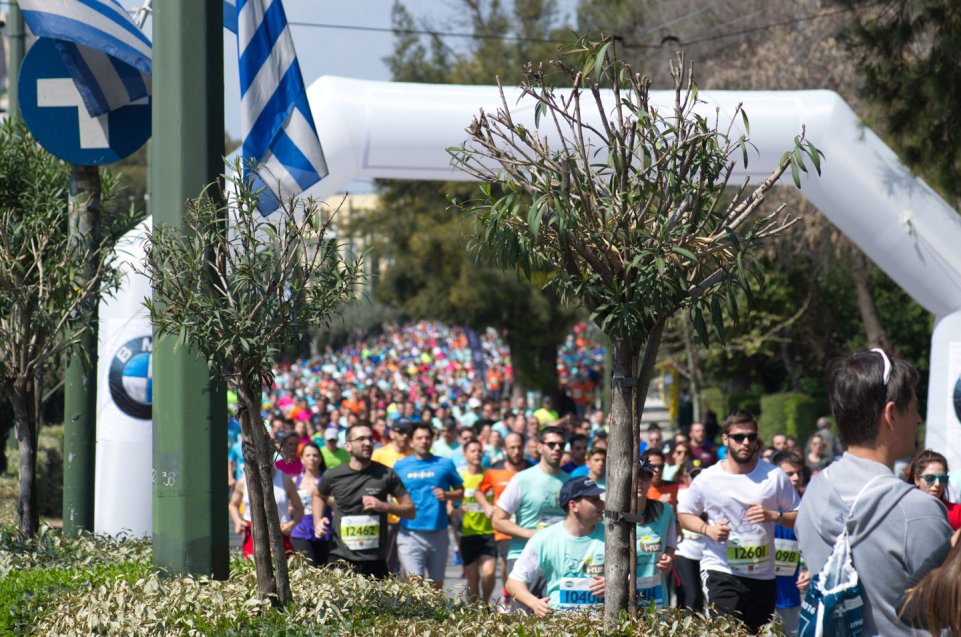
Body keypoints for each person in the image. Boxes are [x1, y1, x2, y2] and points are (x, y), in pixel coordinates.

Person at [796, 349, 953, 636]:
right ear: (891, 414)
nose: (918, 419)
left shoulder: (814, 493)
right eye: (914, 407)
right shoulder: (917, 510)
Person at [677, 409, 801, 634]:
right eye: (739, 437)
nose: (746, 442)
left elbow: (799, 516)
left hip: (762, 574)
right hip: (721, 569)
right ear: (725, 439)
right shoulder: (708, 478)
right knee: (727, 631)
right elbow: (685, 514)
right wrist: (707, 529)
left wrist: (774, 516)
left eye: (751, 437)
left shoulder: (774, 476)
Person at [313, 423, 415, 579]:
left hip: (374, 560)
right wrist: (318, 521)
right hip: (341, 557)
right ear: (347, 446)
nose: (367, 443)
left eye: (370, 439)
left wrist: (384, 506)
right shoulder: (333, 475)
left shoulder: (386, 474)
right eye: (361, 439)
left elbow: (410, 510)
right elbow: (319, 495)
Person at [506, 476, 606, 616]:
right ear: (573, 506)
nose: (602, 504)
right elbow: (513, 582)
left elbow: (633, 575)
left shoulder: (613, 536)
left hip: (603, 622)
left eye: (600, 499)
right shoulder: (544, 538)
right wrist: (534, 603)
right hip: (559, 623)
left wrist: (615, 583)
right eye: (594, 500)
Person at [493, 426, 570, 609]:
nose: (557, 448)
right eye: (551, 444)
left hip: (558, 559)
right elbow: (498, 520)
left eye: (561, 445)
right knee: (523, 619)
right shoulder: (522, 479)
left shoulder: (569, 482)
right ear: (539, 447)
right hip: (523, 556)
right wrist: (533, 535)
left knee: (556, 617)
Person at [394, 422, 464, 589]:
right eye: (419, 438)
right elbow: (391, 493)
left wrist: (447, 495)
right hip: (410, 533)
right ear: (412, 441)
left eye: (427, 437)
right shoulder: (400, 466)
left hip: (438, 532)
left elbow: (460, 491)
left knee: (436, 587)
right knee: (415, 585)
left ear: (432, 440)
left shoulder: (445, 464)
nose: (424, 441)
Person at [475, 432, 532, 604]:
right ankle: (508, 598)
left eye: (519, 447)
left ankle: (509, 596)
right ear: (504, 449)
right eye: (511, 448)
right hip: (504, 528)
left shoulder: (533, 469)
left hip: (528, 527)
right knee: (510, 563)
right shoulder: (495, 470)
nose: (516, 451)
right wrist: (486, 506)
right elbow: (479, 491)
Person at [229, 463, 304, 560]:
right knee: (252, 567)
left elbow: (299, 508)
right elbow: (233, 504)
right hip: (253, 534)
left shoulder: (285, 479)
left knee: (283, 567)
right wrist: (237, 521)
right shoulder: (244, 481)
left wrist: (291, 524)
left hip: (280, 533)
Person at [771, 452, 808, 637]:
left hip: (796, 596)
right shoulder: (765, 507)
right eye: (789, 474)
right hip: (766, 596)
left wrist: (810, 570)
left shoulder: (809, 506)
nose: (795, 478)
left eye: (799, 473)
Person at [370, 418, 413, 574]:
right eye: (400, 432)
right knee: (387, 562)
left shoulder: (414, 454)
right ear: (392, 433)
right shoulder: (380, 454)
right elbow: (369, 480)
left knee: (409, 565)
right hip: (387, 516)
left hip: (409, 515)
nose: (404, 436)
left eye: (407, 432)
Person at [456, 439, 497, 602]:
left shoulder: (490, 474)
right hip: (467, 533)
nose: (477, 454)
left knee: (489, 573)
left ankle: (485, 604)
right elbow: (451, 505)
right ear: (465, 455)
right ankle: (474, 611)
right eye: (473, 451)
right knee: (473, 578)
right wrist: (457, 509)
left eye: (480, 451)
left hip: (489, 532)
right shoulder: (460, 476)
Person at [635, 460, 676, 609]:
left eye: (645, 476)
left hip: (655, 594)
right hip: (620, 595)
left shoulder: (665, 510)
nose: (639, 481)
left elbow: (671, 545)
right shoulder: (609, 514)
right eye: (634, 476)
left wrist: (668, 559)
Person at [290, 442, 330, 566]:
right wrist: (290, 509)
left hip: (324, 530)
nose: (312, 458)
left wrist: (319, 495)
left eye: (315, 455)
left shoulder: (327, 480)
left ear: (320, 459)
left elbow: (336, 502)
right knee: (308, 567)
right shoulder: (295, 481)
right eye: (308, 455)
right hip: (300, 530)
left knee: (324, 568)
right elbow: (288, 505)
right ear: (302, 459)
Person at [906, 449, 961, 530]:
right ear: (917, 480)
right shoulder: (904, 512)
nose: (937, 484)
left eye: (942, 478)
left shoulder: (957, 513)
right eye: (930, 478)